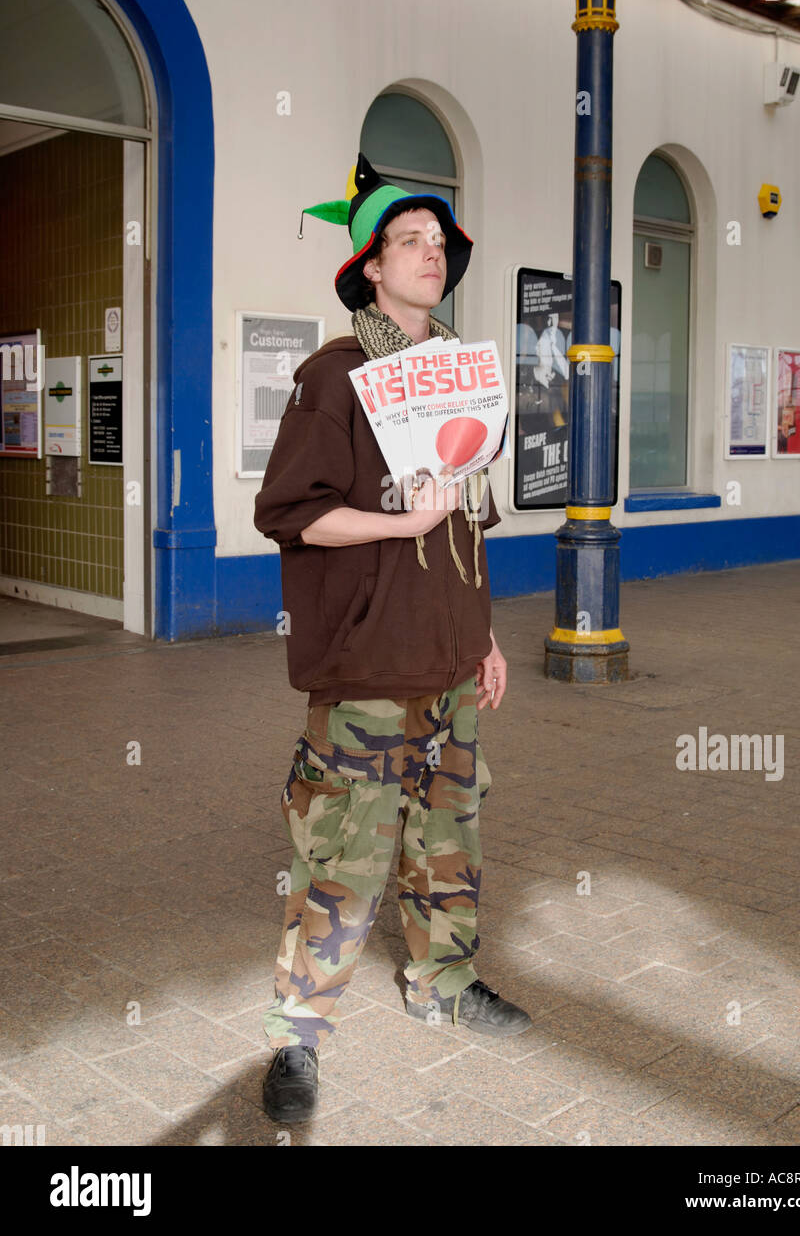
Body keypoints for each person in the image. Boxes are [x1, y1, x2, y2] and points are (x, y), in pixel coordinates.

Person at [253, 153, 531, 1126]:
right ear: (370, 266)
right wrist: (397, 524)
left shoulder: (457, 375)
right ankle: (299, 1033)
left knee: (449, 839)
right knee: (343, 850)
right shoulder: (335, 378)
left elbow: (465, 525)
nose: (431, 255)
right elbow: (291, 513)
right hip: (370, 668)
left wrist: (484, 637)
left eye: (440, 243)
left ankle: (443, 982)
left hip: (452, 663)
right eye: (408, 242)